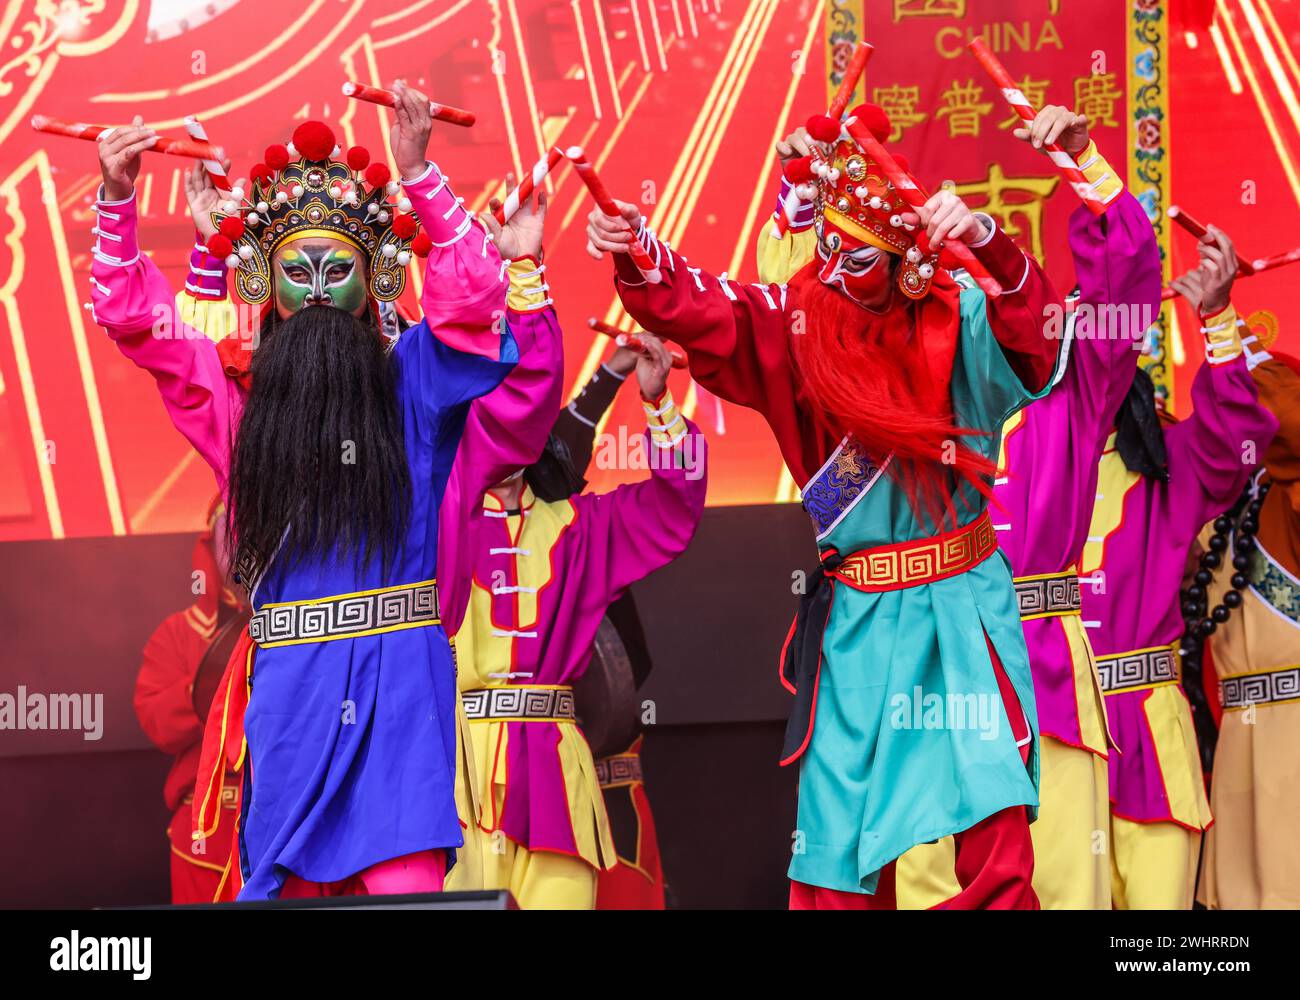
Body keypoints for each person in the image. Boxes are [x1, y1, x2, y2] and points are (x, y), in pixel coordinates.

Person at [586, 101, 1063, 909]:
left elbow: (1035, 344)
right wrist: (637, 254)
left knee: (995, 837)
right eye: (827, 247)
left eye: (859, 258)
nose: (834, 271)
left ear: (909, 265)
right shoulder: (796, 321)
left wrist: (990, 243)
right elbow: (703, 308)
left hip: (957, 605)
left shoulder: (957, 316)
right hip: (856, 621)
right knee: (832, 848)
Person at [89, 82, 552, 900]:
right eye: (293, 273)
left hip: (401, 688)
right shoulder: (237, 413)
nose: (312, 290)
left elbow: (476, 299)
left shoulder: (414, 386)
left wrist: (417, 173)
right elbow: (137, 322)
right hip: (292, 697)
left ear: (371, 285)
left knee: (406, 893)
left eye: (336, 270)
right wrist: (118, 201)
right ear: (266, 291)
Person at [760, 108, 1160, 908]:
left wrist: (1082, 161)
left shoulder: (1074, 387)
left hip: (1034, 676)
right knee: (909, 884)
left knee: (1048, 889)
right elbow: (797, 314)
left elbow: (1124, 279)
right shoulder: (884, 378)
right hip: (908, 664)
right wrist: (802, 189)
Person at [442, 285, 708, 906]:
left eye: (519, 407)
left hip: (556, 777)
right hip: (456, 775)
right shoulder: (435, 518)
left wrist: (655, 400)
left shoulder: (580, 526)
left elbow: (674, 508)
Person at [1078, 226, 1277, 908]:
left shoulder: (1164, 467)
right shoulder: (1011, 468)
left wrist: (1218, 318)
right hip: (1053, 727)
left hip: (1151, 732)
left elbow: (1241, 439)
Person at [1174, 276, 1300, 909]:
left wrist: (1223, 322)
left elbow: (1290, 423)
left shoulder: (1293, 492)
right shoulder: (1210, 508)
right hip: (1237, 745)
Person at [133, 497, 247, 904]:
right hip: (206, 832)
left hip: (288, 818)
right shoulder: (176, 634)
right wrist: (214, 686)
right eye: (228, 531)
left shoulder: (303, 628)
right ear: (209, 544)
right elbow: (157, 719)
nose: (241, 543)